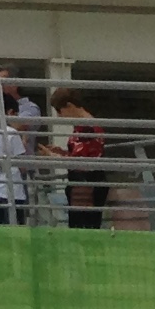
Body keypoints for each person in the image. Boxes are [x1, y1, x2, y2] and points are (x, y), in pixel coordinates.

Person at [50, 87, 106, 231]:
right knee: (84, 225)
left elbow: (80, 161)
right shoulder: (85, 126)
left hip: (85, 184)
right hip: (86, 182)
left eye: (59, 110)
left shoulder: (87, 127)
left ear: (69, 106)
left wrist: (55, 156)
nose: (60, 115)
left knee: (82, 225)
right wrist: (62, 152)